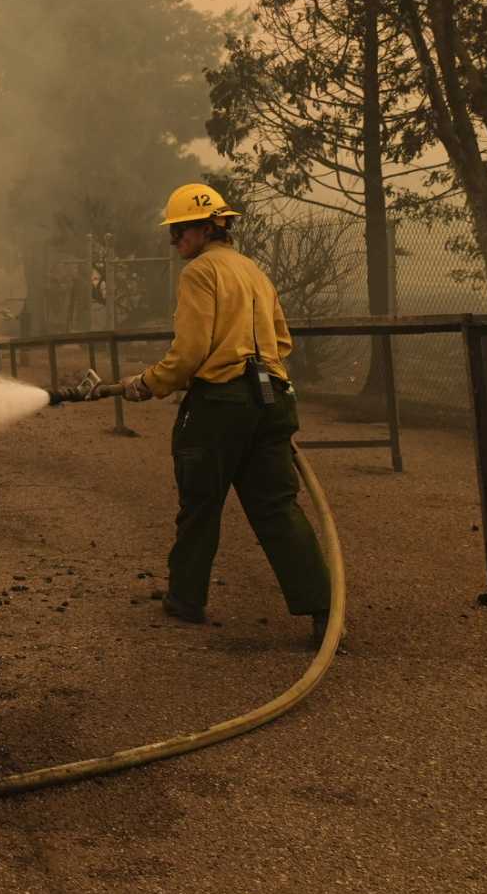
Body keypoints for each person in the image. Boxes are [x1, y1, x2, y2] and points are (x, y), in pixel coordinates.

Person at [122, 184, 333, 647]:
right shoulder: (255, 272)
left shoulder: (200, 273)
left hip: (221, 403)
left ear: (204, 228)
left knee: (201, 502)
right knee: (277, 506)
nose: (174, 241)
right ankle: (323, 609)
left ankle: (185, 598)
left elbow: (191, 352)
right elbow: (281, 342)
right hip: (273, 400)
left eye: (178, 231)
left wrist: (149, 383)